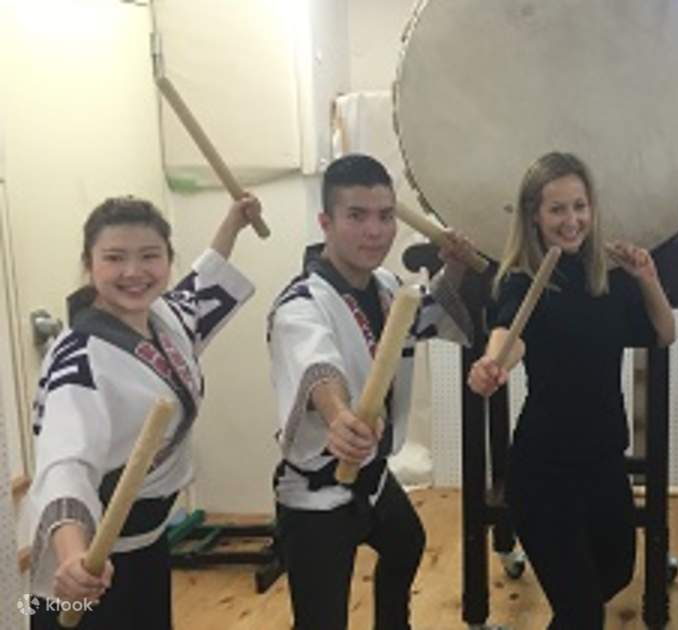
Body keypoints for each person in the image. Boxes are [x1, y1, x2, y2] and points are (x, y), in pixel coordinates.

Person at [26, 194, 261, 629]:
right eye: (114, 258)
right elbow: (65, 466)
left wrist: (233, 223)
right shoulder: (79, 359)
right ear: (89, 263)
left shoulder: (162, 318)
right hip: (94, 559)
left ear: (168, 259)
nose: (134, 272)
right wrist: (75, 555)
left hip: (147, 543)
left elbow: (201, 285)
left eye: (150, 256)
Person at [267, 153, 480, 630]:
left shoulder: (384, 286)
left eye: (385, 216)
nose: (375, 231)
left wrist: (455, 270)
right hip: (317, 493)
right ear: (326, 222)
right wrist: (339, 415)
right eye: (356, 216)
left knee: (406, 542)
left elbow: (421, 319)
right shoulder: (300, 305)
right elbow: (317, 366)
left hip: (371, 476)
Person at [466, 151, 675, 629]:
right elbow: (509, 336)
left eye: (579, 206)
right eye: (557, 209)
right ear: (534, 216)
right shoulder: (522, 281)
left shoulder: (608, 277)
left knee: (618, 572)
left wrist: (648, 279)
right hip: (544, 471)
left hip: (602, 458)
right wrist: (491, 364)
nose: (571, 220)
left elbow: (665, 333)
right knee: (581, 612)